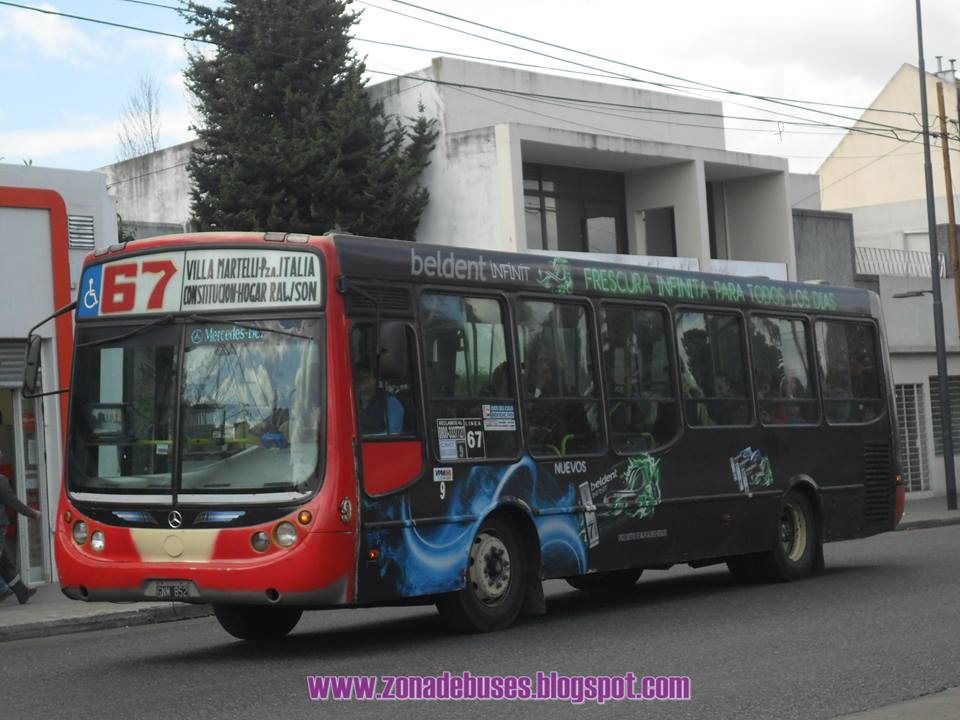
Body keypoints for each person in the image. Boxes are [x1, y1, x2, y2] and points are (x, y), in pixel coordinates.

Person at [0, 448, 41, 605]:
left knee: (5, 563)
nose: (2, 455)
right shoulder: (1, 481)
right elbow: (13, 502)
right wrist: (33, 513)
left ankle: (22, 592)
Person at [355, 368, 404, 435]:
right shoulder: (351, 404)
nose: (361, 383)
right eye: (358, 379)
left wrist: (363, 438)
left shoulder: (390, 402)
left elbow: (393, 434)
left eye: (365, 378)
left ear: (374, 380)